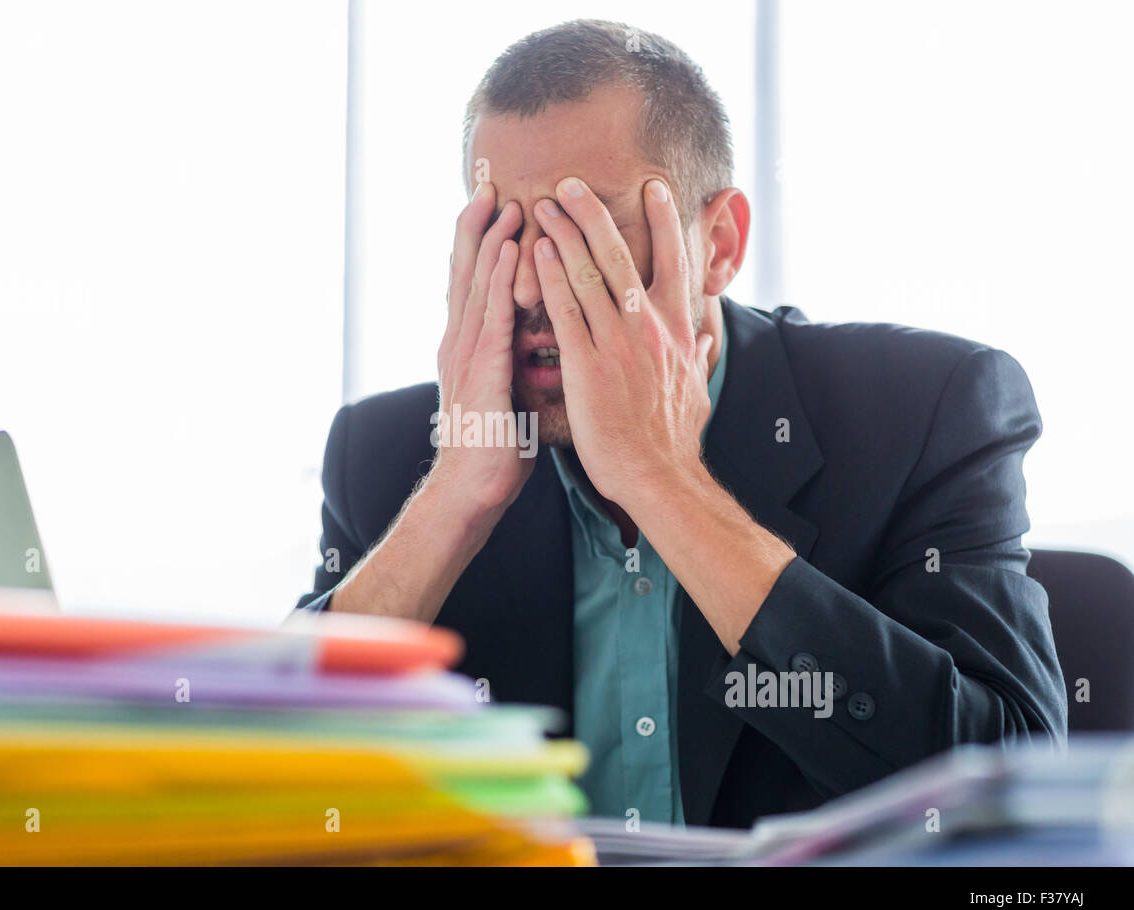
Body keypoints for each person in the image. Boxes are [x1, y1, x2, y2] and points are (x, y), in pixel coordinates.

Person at [299, 19, 1066, 827]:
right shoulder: (386, 458)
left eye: (580, 232)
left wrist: (664, 481)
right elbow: (271, 784)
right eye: (502, 233)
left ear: (721, 243)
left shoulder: (929, 411)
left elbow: (1011, 799)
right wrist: (455, 498)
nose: (528, 290)